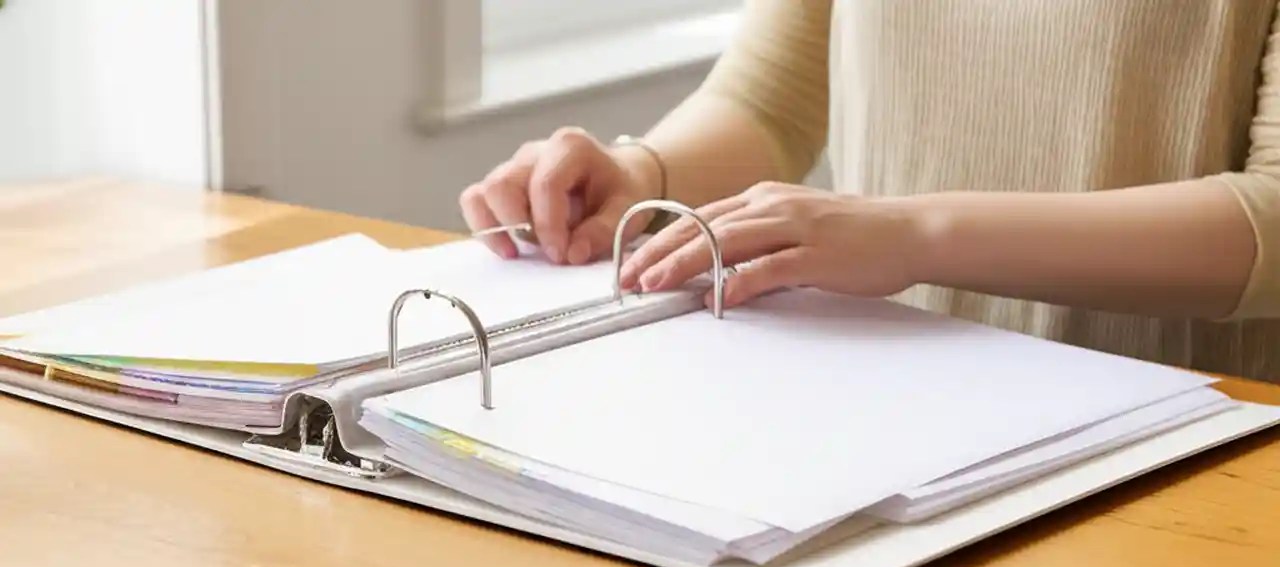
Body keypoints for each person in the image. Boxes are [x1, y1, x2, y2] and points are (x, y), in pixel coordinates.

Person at [459, 0, 1280, 382]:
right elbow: (769, 101)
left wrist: (914, 235)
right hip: (895, 405)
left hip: (1182, 442)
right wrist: (643, 173)